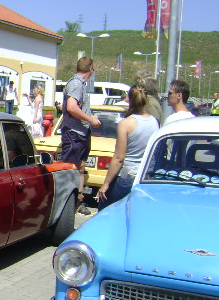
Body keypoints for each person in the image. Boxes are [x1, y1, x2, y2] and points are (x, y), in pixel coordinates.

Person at [97, 85, 159, 210]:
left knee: (106, 209)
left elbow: (119, 158)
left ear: (129, 99)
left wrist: (106, 184)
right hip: (146, 175)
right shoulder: (155, 121)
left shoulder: (125, 124)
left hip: (128, 175)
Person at [59, 56, 101, 214]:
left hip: (81, 133)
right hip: (74, 133)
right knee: (70, 168)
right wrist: (90, 119)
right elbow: (71, 107)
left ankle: (77, 201)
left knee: (80, 168)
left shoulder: (79, 84)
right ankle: (66, 205)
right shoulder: (76, 84)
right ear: (90, 70)